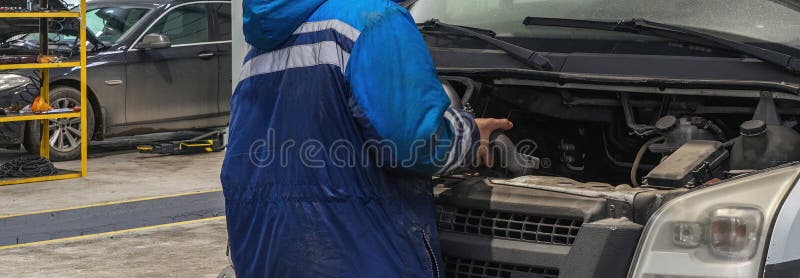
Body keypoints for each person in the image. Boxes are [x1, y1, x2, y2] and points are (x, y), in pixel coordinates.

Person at [221, 0, 513, 276]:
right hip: (357, 258)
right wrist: (471, 134)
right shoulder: (374, 20)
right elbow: (418, 143)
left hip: (270, 258)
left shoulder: (261, 48)